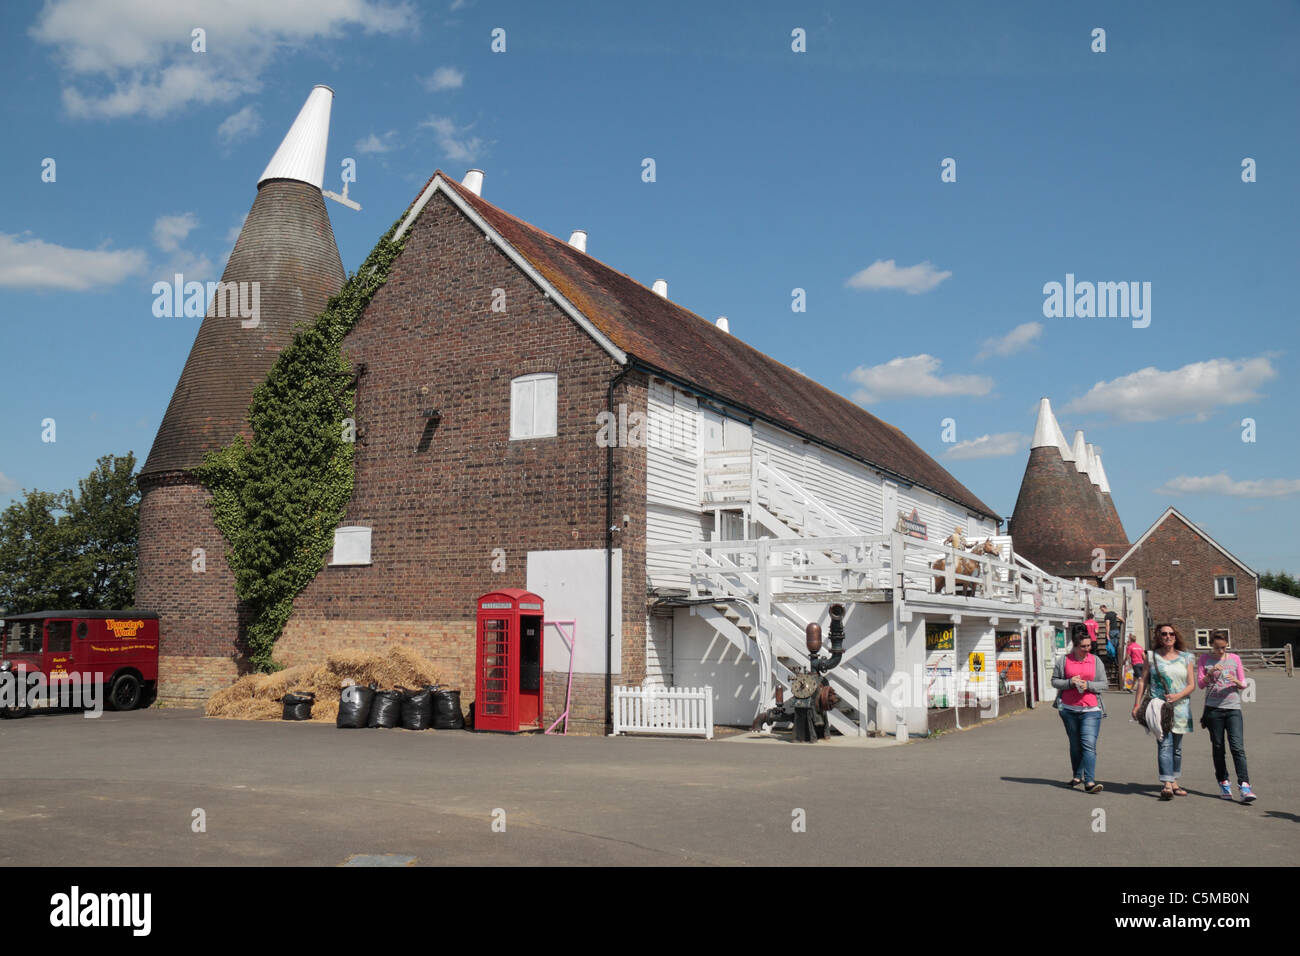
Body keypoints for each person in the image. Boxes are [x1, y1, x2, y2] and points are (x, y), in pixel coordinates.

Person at [1132, 623, 1196, 800]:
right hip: (1158, 707)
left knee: (1177, 749)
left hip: (1181, 708)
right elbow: (1143, 681)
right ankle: (1167, 783)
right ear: (1158, 636)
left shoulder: (1186, 657)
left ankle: (1174, 780)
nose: (1168, 636)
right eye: (1164, 634)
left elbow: (1192, 684)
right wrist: (1136, 705)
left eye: (1171, 634)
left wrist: (1178, 696)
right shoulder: (1151, 657)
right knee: (1165, 744)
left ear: (1176, 636)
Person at [1198, 630, 1256, 802]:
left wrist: (1237, 682)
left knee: (1237, 747)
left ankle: (1245, 785)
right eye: (1218, 648)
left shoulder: (1235, 659)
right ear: (1211, 645)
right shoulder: (1204, 659)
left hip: (1233, 708)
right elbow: (1201, 684)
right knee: (1218, 747)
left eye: (1224, 647)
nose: (1221, 651)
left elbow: (1244, 683)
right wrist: (1210, 673)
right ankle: (1224, 783)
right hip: (1213, 709)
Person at [1052, 623, 1107, 794]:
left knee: (1088, 744)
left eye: (1089, 646)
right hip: (1069, 709)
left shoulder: (1095, 660)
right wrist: (1070, 682)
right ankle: (1077, 775)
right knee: (1075, 745)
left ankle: (1089, 782)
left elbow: (1104, 683)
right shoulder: (1064, 661)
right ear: (1075, 646)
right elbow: (1054, 681)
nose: (1087, 649)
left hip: (1091, 709)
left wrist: (1088, 685)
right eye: (1083, 646)